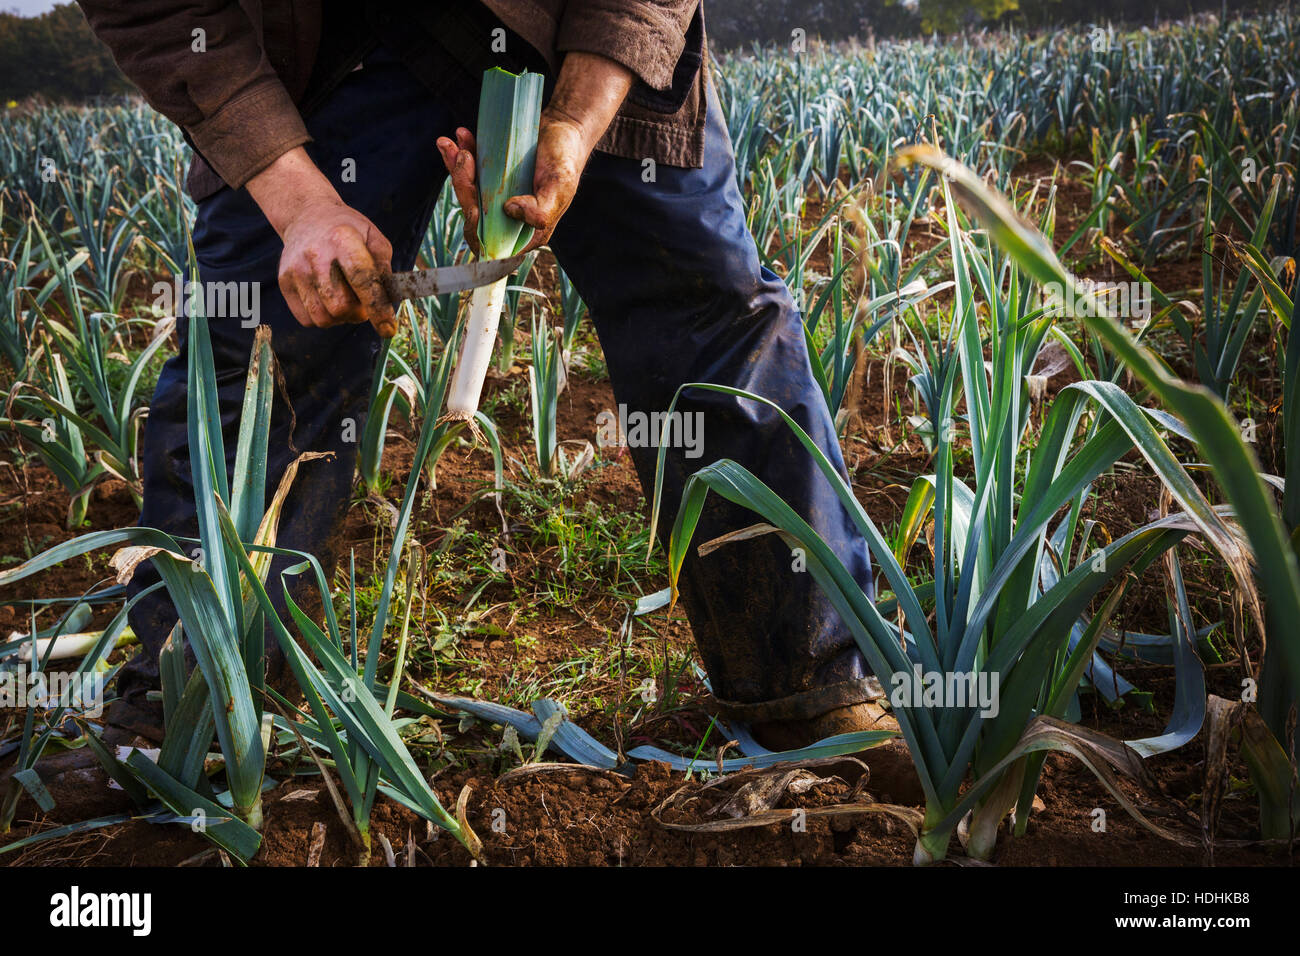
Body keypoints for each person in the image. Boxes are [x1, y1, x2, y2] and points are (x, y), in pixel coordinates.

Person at [77, 0, 895, 757]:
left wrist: (575, 122)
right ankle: (194, 710)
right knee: (262, 336)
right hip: (325, 35)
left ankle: (810, 688)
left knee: (702, 306)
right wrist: (297, 199)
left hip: (567, 19)